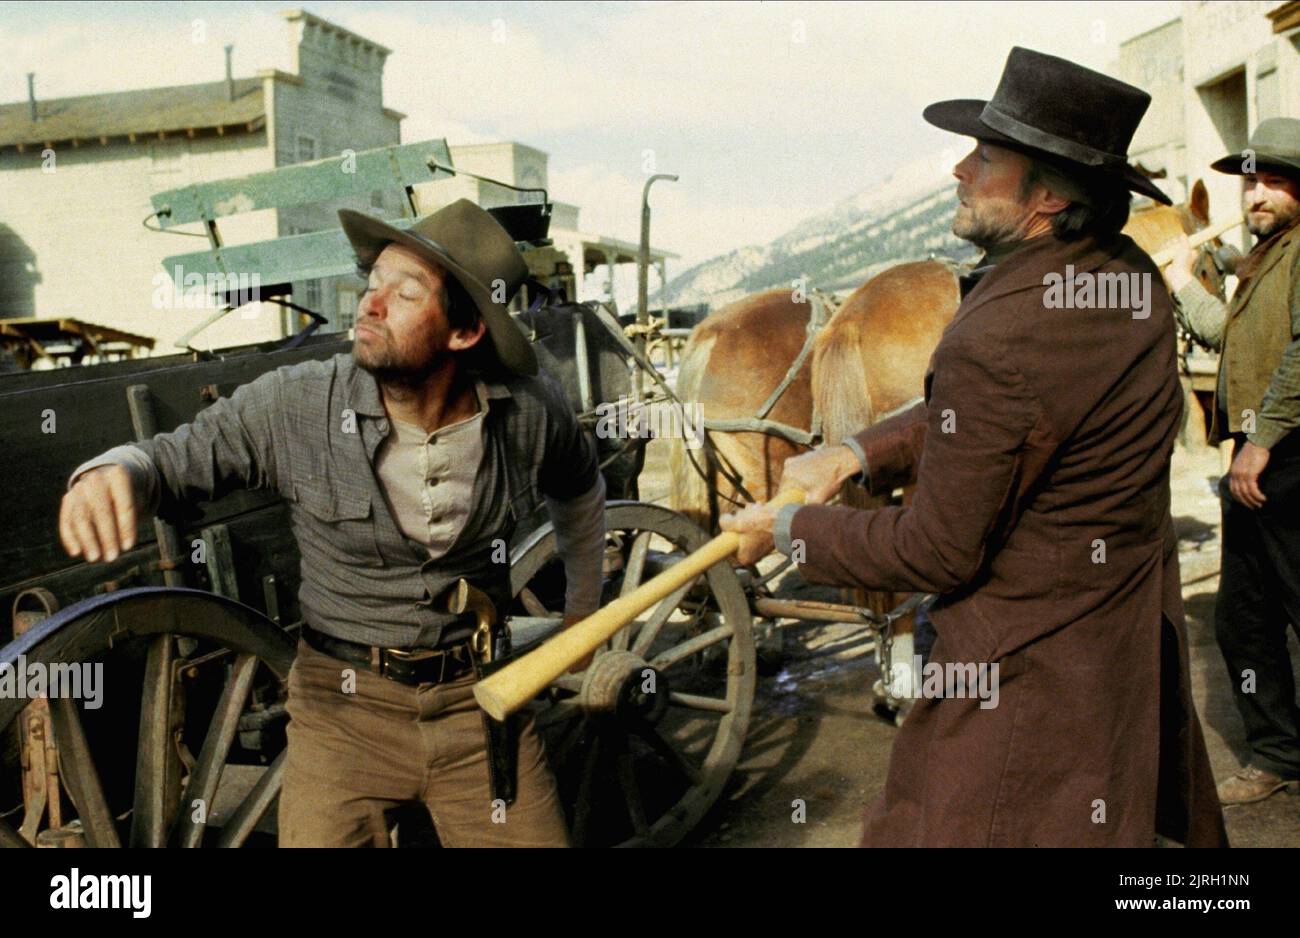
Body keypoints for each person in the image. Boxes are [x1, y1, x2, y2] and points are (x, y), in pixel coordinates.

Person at [722, 47, 1228, 847]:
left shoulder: (1000, 331)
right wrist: (855, 454)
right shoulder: (1124, 277)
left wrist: (787, 533)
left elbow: (936, 550)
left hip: (1025, 679)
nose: (960, 168)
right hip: (1116, 648)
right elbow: (997, 413)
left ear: (1049, 195)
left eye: (987, 156)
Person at [58, 199, 605, 847]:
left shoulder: (531, 415)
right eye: (370, 285)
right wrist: (114, 470)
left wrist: (582, 613)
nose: (368, 306)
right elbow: (173, 460)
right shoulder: (296, 404)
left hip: (481, 706)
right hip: (342, 716)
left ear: (465, 333)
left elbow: (581, 488)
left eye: (403, 294)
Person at [1163, 117, 1300, 806]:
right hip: (1256, 458)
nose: (1257, 195)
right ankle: (1278, 752)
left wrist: (1263, 441)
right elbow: (1226, 333)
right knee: (1243, 615)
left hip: (1289, 454)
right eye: (1252, 181)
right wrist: (1186, 280)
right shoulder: (1262, 258)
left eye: (1275, 181)